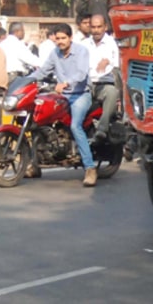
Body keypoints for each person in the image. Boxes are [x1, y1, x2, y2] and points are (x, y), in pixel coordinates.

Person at [30, 22, 97, 186]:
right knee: (38, 121)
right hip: (63, 96)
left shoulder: (81, 51)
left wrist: (66, 83)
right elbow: (43, 71)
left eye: (63, 38)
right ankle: (34, 164)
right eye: (57, 38)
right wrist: (25, 80)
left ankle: (90, 168)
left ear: (70, 37)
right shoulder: (55, 53)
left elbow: (81, 74)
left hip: (80, 94)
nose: (60, 41)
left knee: (75, 126)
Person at [83, 14, 121, 145]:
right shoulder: (84, 44)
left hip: (103, 84)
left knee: (112, 93)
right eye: (93, 27)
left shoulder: (112, 44)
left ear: (105, 27)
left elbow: (117, 65)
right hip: (85, 84)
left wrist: (108, 61)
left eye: (99, 27)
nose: (96, 30)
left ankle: (102, 129)